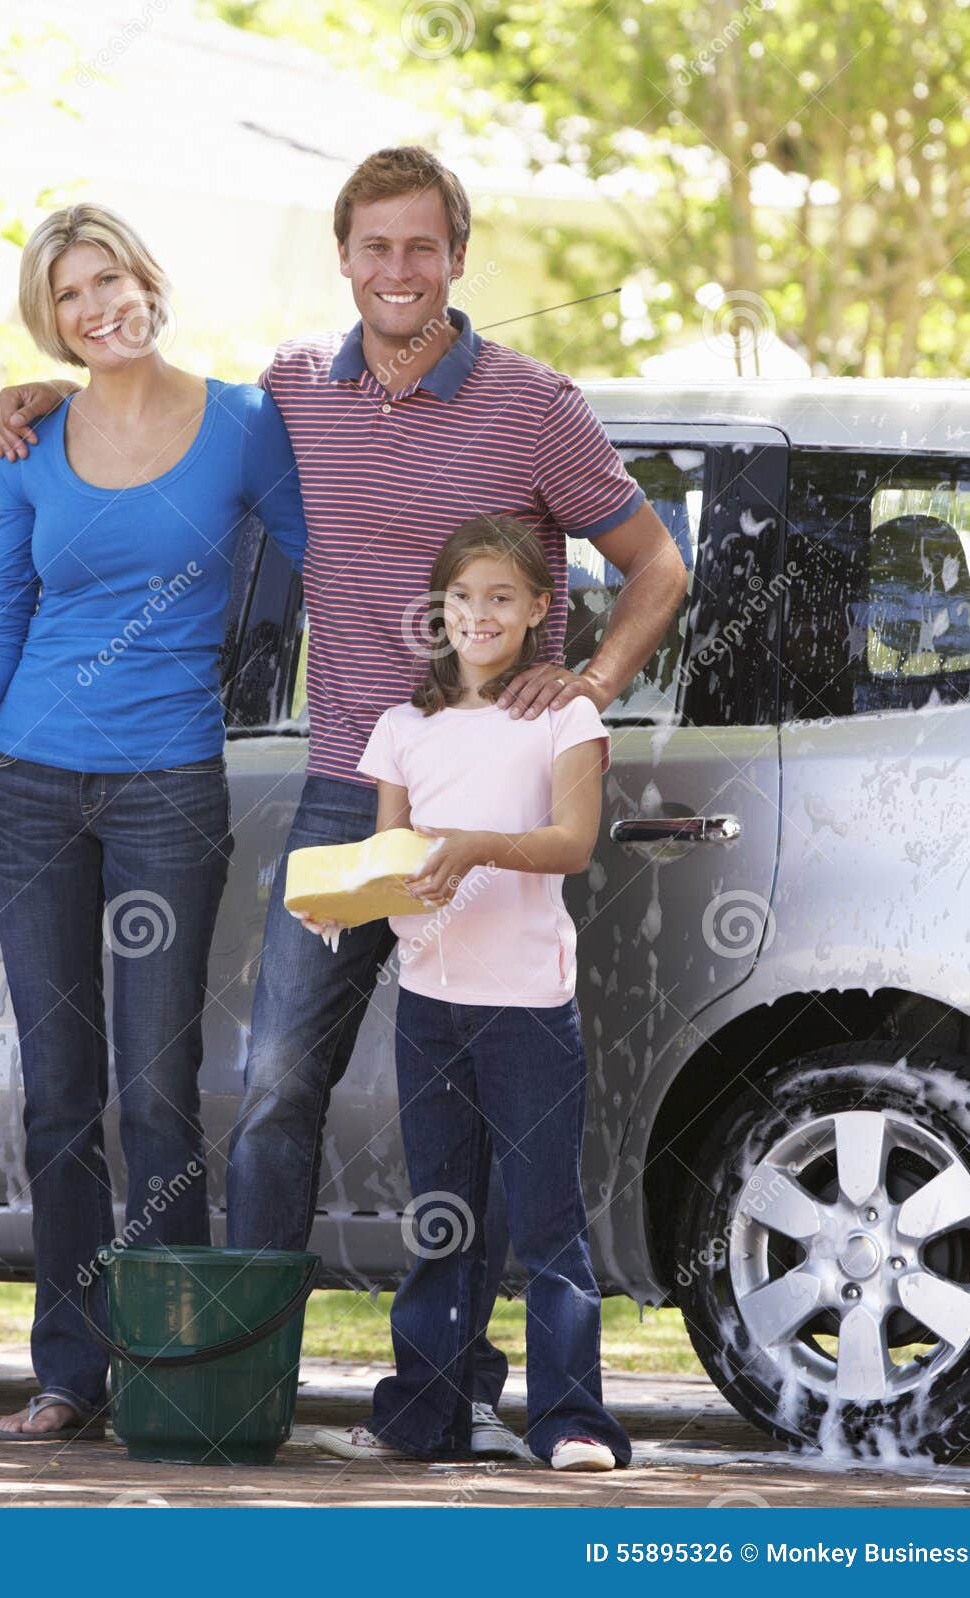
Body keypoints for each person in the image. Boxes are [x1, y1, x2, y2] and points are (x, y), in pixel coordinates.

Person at [0, 148, 686, 1457]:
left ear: (458, 256)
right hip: (342, 796)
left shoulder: (538, 404)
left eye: (422, 247)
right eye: (375, 248)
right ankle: (234, 1386)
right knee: (272, 1094)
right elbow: (159, 416)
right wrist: (46, 387)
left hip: (490, 800)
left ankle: (466, 1389)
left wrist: (587, 678)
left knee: (483, 1107)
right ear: (347, 258)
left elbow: (655, 561)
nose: (399, 271)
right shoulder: (296, 393)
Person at [0, 204, 308, 1441]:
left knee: (157, 1091)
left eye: (109, 278)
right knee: (58, 1092)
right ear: (47, 320)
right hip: (31, 786)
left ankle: (168, 1357)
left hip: (170, 786)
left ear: (150, 281)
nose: (95, 305)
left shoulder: (243, 427)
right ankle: (70, 1367)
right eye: (68, 295)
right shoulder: (30, 439)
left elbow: (334, 557)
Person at [310, 514, 632, 1471]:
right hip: (429, 1006)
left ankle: (573, 1423)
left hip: (530, 1005)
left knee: (544, 1221)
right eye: (462, 598)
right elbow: (392, 858)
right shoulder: (402, 729)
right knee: (442, 1214)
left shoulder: (566, 717)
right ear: (439, 610)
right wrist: (343, 903)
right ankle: (422, 1415)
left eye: (502, 597)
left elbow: (571, 845)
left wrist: (483, 847)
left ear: (540, 609)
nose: (479, 615)